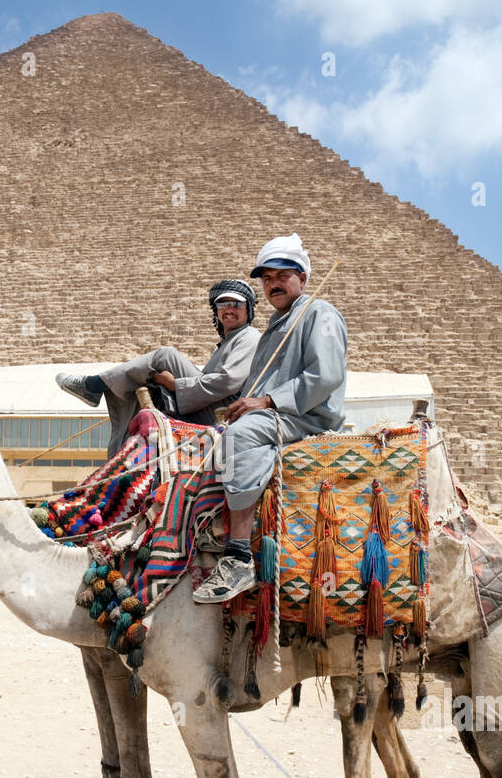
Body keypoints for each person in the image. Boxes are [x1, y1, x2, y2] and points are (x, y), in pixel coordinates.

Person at [192, 234, 348, 603]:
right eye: (266, 278)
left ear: (303, 278)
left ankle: (239, 556)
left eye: (282, 275)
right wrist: (245, 401)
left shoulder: (318, 313)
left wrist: (265, 401)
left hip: (308, 417)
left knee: (241, 436)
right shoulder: (277, 326)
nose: (273, 284)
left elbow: (326, 376)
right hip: (279, 409)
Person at [56, 281, 261, 456]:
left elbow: (226, 381)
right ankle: (120, 448)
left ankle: (93, 385)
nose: (229, 309)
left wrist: (174, 385)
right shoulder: (230, 341)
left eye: (236, 304)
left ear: (248, 308)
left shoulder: (249, 336)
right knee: (147, 386)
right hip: (209, 404)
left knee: (166, 356)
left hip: (223, 413)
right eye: (222, 304)